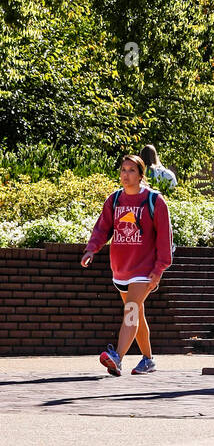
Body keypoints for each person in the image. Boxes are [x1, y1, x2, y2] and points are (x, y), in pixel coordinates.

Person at [80, 154, 173, 376]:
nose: (126, 174)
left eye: (131, 170)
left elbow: (164, 238)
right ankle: (148, 360)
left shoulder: (154, 201)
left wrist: (159, 269)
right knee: (137, 314)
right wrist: (91, 249)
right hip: (121, 269)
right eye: (123, 169)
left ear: (141, 175)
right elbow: (102, 228)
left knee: (130, 310)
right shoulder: (114, 200)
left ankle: (117, 357)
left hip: (144, 269)